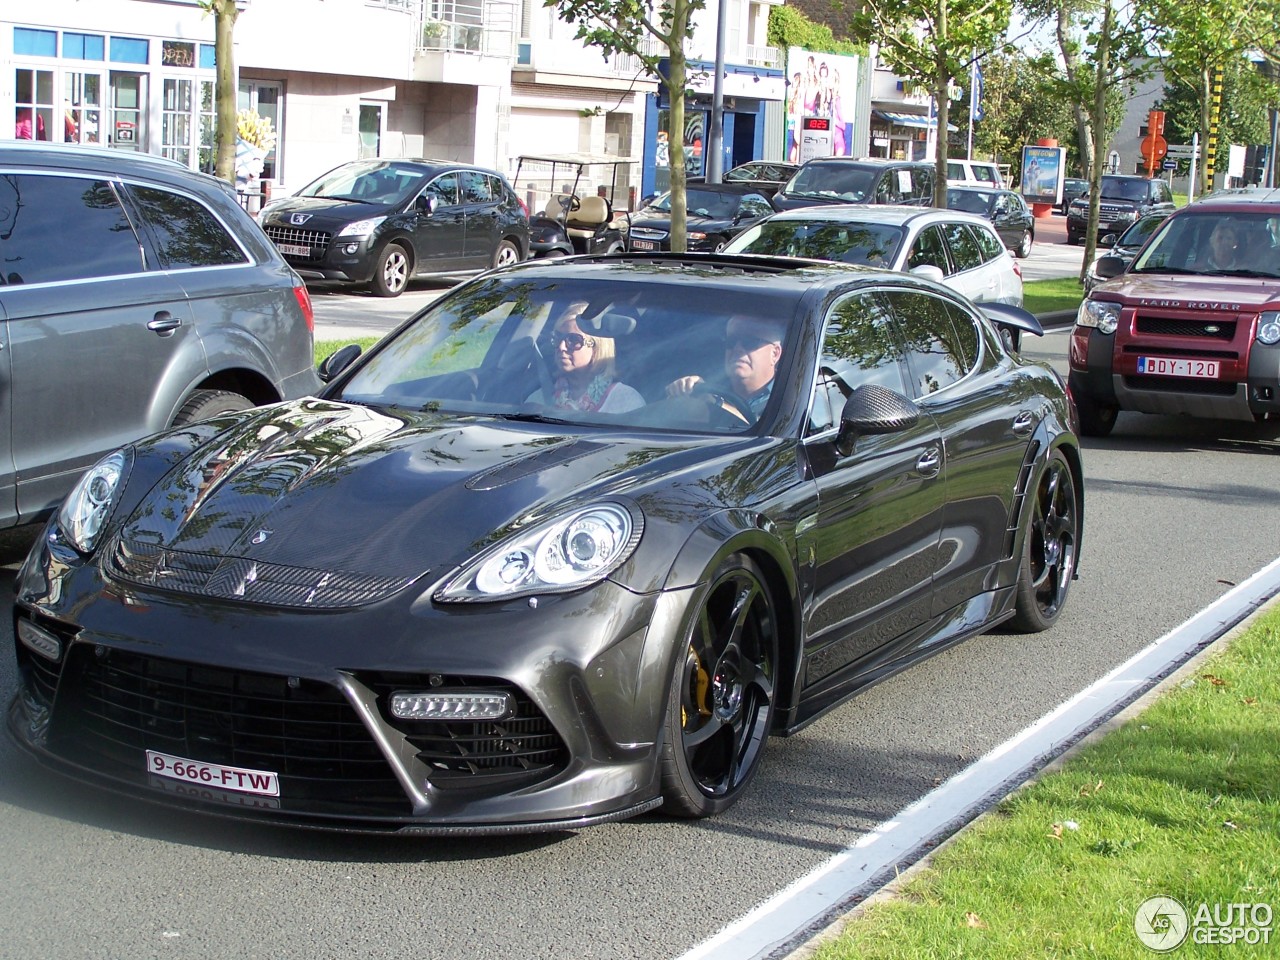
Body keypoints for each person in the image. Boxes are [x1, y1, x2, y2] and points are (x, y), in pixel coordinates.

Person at [667, 315, 786, 421]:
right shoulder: (712, 387)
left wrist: (715, 403)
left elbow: (761, 430)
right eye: (731, 341)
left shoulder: (790, 399)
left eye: (749, 342)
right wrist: (682, 394)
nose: (738, 349)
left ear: (774, 353)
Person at [534, 302, 644, 414]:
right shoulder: (540, 398)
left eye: (573, 340)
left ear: (597, 347)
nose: (561, 347)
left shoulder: (625, 400)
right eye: (557, 337)